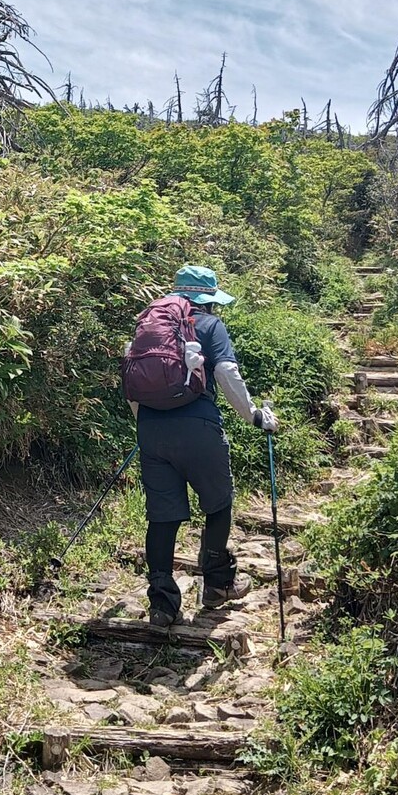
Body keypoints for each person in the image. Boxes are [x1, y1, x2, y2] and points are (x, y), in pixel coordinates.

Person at [132, 264, 278, 628]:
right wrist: (255, 416)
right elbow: (227, 374)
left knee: (162, 517)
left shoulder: (150, 325)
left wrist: (147, 423)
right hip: (198, 426)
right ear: (208, 300)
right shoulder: (210, 326)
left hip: (151, 429)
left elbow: (134, 380)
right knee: (218, 501)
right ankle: (217, 584)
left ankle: (163, 605)